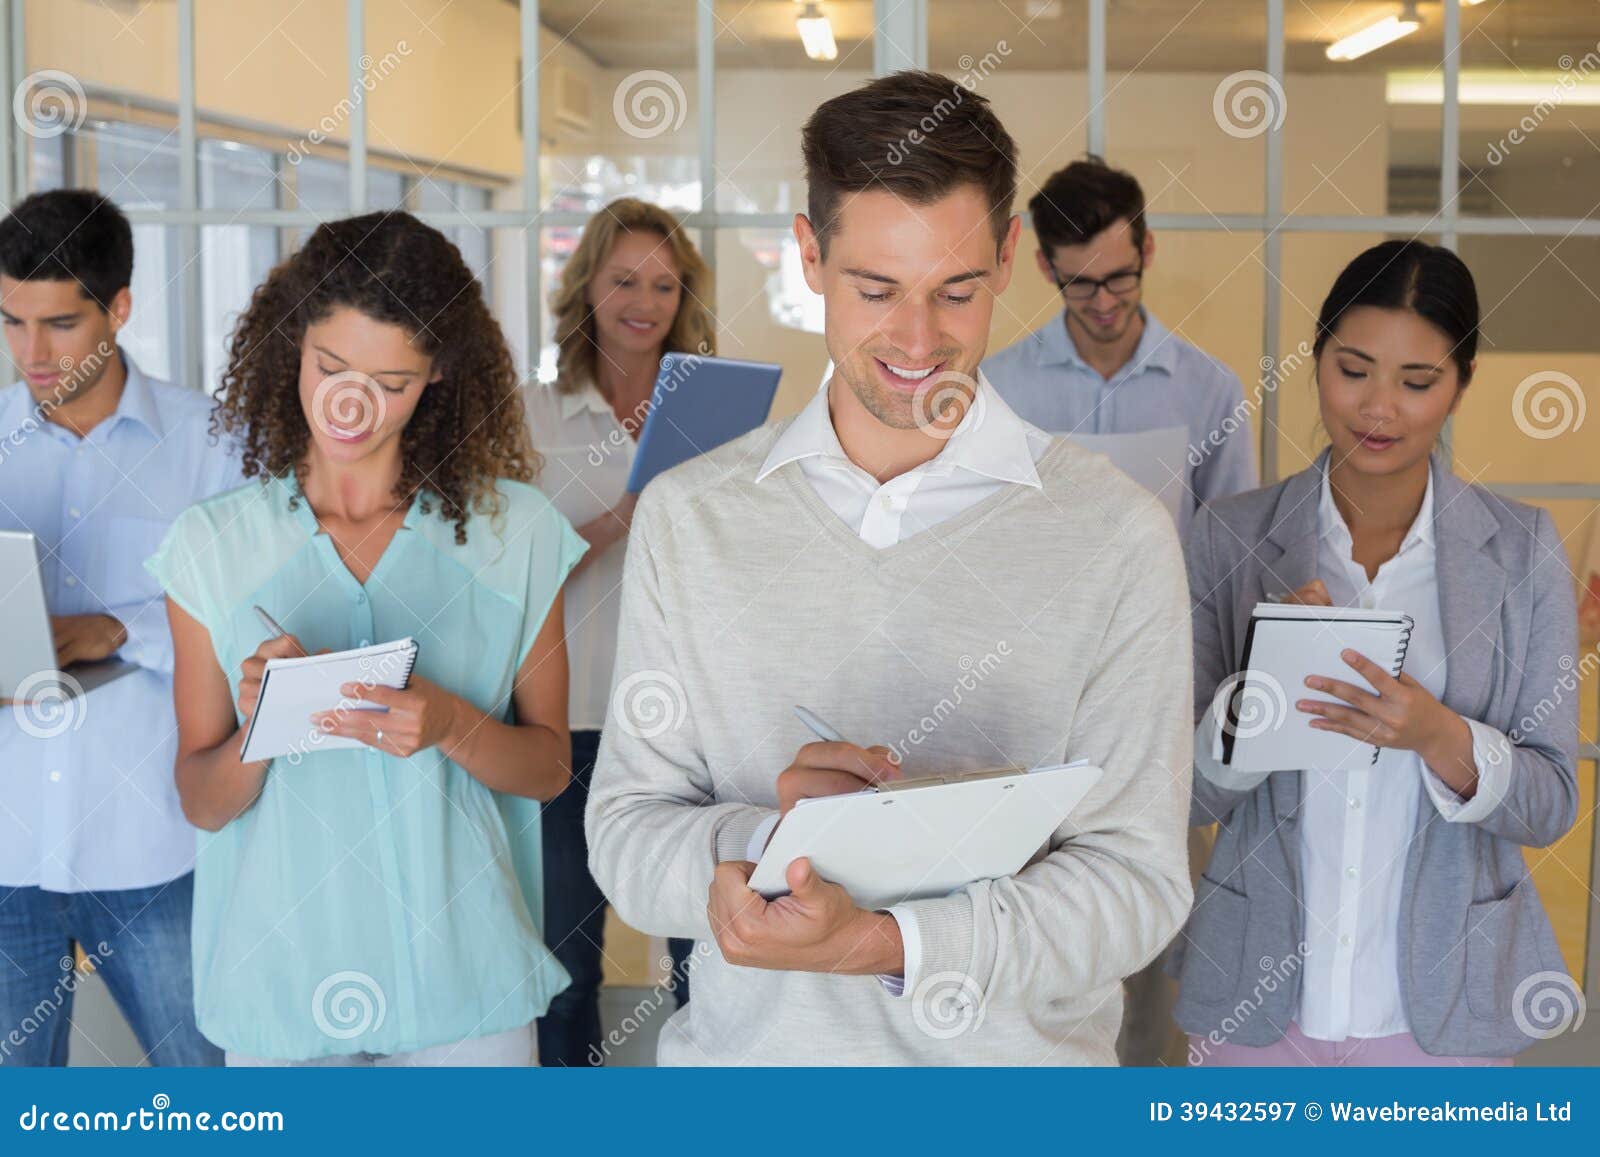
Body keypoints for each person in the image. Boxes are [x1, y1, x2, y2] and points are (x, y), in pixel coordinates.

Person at [585, 70, 1195, 1066]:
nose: (919, 343)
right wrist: (779, 840)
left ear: (1006, 259)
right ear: (809, 256)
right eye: (876, 290)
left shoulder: (1115, 534)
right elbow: (625, 835)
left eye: (954, 292)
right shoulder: (691, 518)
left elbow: (1137, 884)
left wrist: (884, 939)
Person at [147, 211, 585, 1066]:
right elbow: (202, 800)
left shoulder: (519, 533)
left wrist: (453, 724)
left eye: (391, 380)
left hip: (463, 981)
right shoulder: (211, 545)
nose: (351, 404)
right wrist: (263, 729)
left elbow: (547, 767)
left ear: (438, 379)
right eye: (330, 367)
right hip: (282, 982)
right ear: (291, 350)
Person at [1175, 240, 1581, 1065]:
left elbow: (1549, 802)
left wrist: (1440, 735)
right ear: (1316, 357)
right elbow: (1177, 798)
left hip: (1444, 1008)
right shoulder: (1229, 537)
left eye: (1417, 381)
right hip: (1255, 1000)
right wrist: (1259, 700)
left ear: (1461, 382)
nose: (1378, 408)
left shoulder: (1525, 549)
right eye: (1352, 369)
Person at [0, 190, 237, 1067]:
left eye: (59, 323)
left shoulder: (216, 443)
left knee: (215, 1099)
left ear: (119, 308)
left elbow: (251, 619)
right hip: (6, 847)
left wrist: (109, 629)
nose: (31, 352)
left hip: (156, 845)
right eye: (12, 321)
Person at [522, 197, 715, 1065]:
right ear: (587, 287)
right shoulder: (534, 418)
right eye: (625, 279)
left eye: (666, 284)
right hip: (566, 725)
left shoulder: (715, 418)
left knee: (706, 964)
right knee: (564, 967)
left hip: (687, 725)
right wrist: (623, 517)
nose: (645, 300)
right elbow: (508, 579)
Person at [981, 155, 1256, 539]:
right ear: (1046, 267)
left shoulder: (1212, 387)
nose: (1104, 303)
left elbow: (1232, 541)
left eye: (1120, 277)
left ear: (1146, 251)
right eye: (1080, 283)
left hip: (1173, 599)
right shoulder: (997, 387)